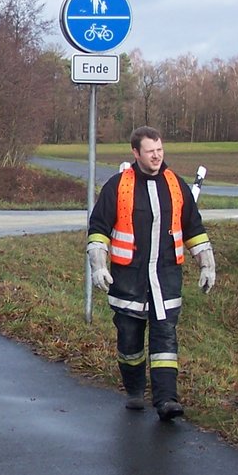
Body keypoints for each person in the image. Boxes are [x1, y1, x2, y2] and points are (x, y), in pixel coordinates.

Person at [86, 125, 216, 421]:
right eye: (150, 151)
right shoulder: (118, 186)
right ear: (135, 153)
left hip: (166, 278)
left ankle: (167, 400)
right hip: (128, 279)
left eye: (160, 150)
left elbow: (194, 228)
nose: (156, 156)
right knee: (130, 341)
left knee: (165, 339)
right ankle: (134, 390)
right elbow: (98, 229)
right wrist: (98, 266)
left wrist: (207, 264)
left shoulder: (176, 185)